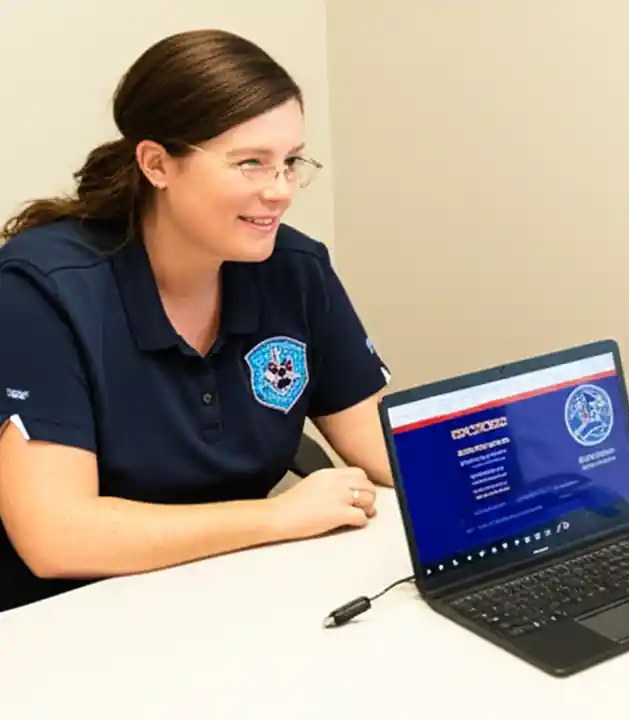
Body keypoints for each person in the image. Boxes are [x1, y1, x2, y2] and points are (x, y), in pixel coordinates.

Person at [0, 30, 393, 614]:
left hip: (226, 594)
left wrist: (548, 470)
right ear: (158, 164)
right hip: (64, 621)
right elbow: (56, 535)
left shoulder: (294, 268)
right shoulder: (41, 291)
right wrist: (277, 516)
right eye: (250, 164)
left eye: (291, 163)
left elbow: (390, 453)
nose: (280, 191)